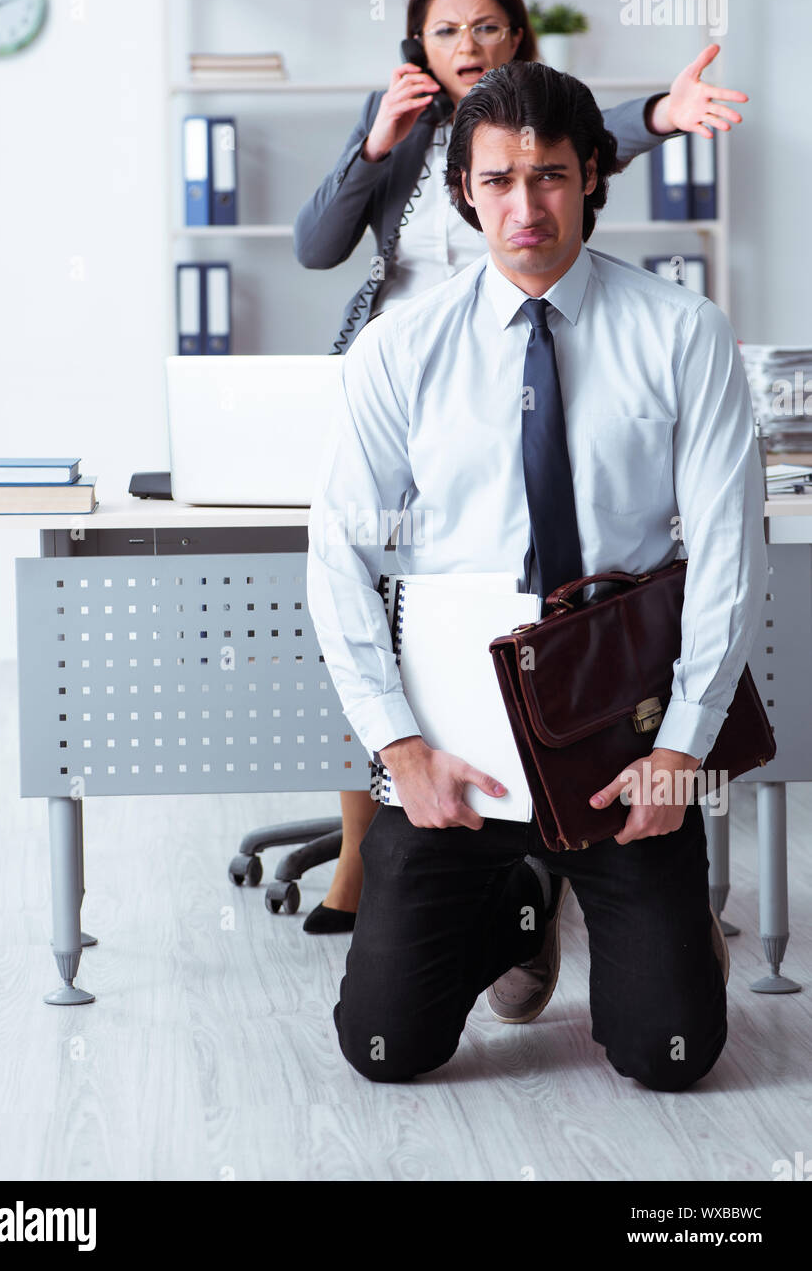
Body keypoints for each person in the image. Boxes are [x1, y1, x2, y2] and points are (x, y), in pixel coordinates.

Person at [305, 59, 767, 1088]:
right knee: (386, 1047)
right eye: (500, 180)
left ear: (594, 174)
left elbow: (731, 551)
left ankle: (640, 936)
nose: (526, 206)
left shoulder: (682, 332)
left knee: (671, 1055)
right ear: (463, 190)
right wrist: (400, 748)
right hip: (454, 753)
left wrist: (684, 751)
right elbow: (338, 549)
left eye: (550, 176)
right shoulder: (398, 348)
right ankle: (523, 906)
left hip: (620, 738)